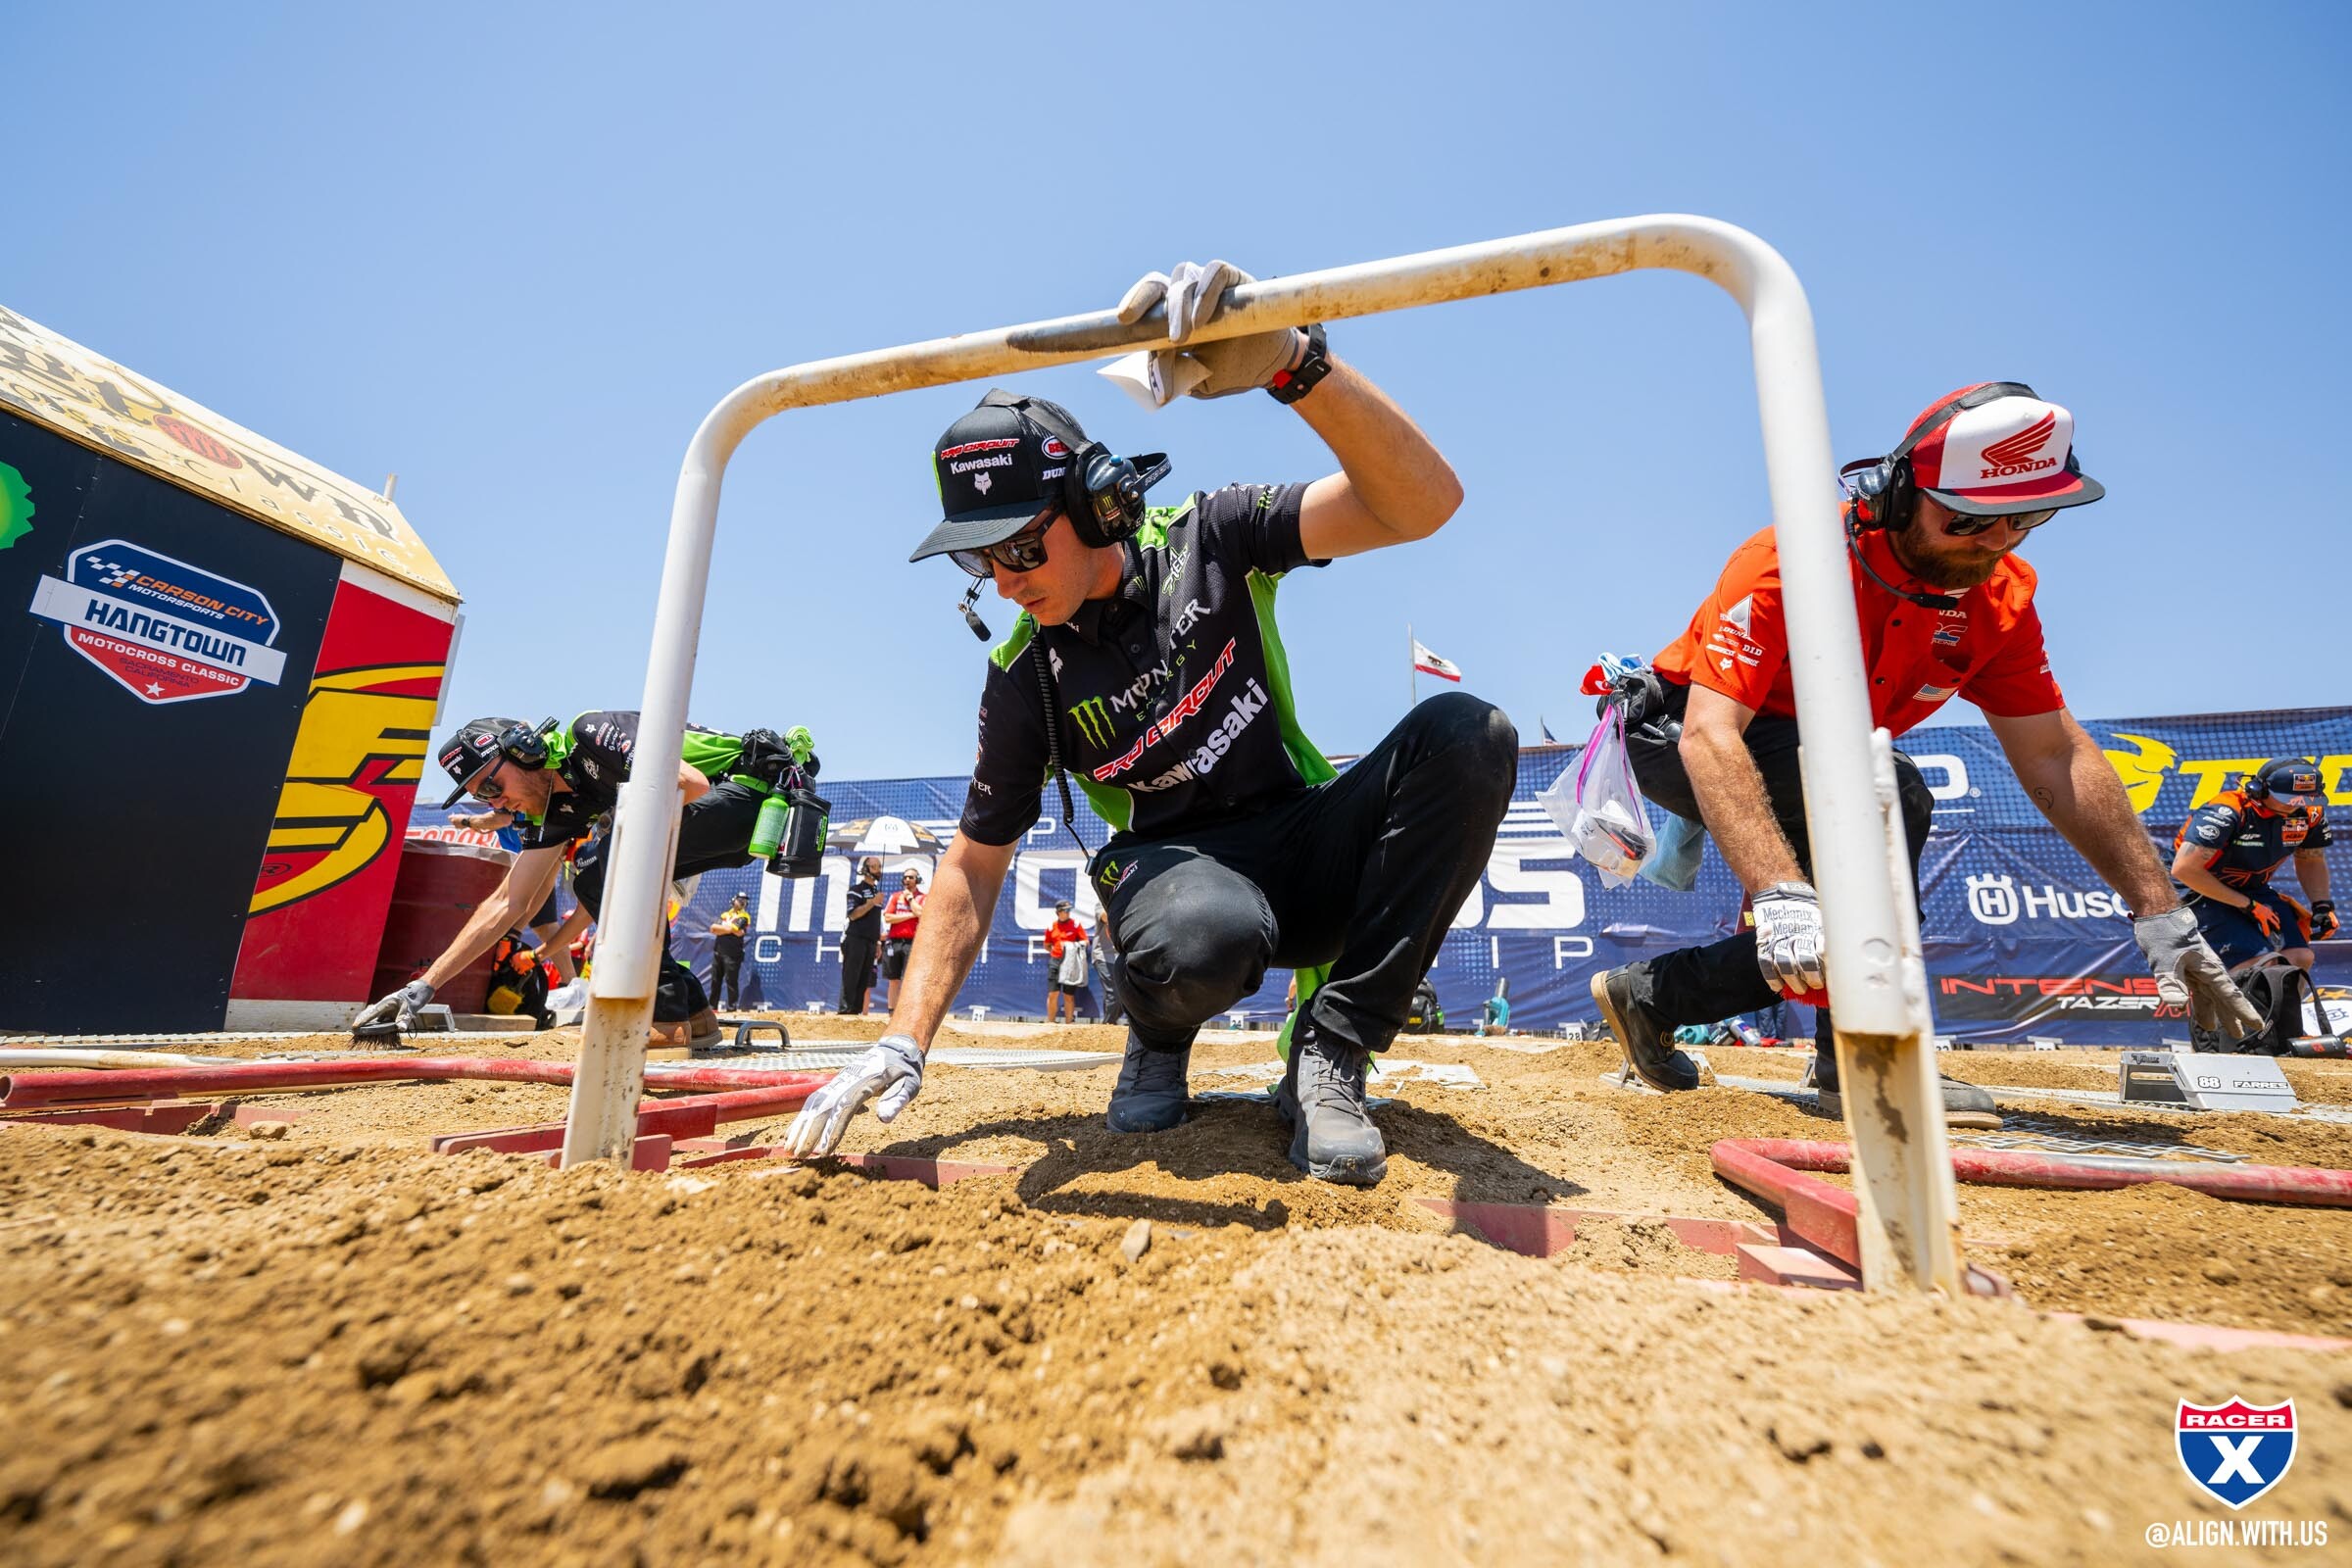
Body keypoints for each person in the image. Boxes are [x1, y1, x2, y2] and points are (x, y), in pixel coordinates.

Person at [785, 258, 1512, 1186]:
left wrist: (1296, 364)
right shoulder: (1022, 678)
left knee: (1468, 733)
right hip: (1177, 878)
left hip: (1302, 839)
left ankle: (1331, 1055)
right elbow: (972, 866)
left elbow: (1423, 504)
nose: (1005, 581)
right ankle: (1159, 1031)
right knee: (1203, 935)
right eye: (979, 560)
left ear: (1099, 502)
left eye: (1017, 545)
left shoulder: (1214, 536)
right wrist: (900, 1043)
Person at [1588, 383, 2259, 1126]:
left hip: (1825, 759)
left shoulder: (1999, 598)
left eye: (2029, 518)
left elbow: (2053, 755)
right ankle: (1866, 1060)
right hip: (1686, 732)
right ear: (1898, 494)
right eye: (1968, 518)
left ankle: (1654, 997)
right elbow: (1710, 735)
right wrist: (1780, 893)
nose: (1996, 540)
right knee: (1890, 799)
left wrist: (2161, 909)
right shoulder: (1791, 558)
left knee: (1860, 856)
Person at [353, 713, 816, 1048]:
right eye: (482, 798)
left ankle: (666, 1013)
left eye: (493, 789)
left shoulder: (590, 736)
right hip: (719, 817)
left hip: (753, 798)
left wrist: (620, 834)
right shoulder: (555, 808)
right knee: (595, 876)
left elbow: (692, 784)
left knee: (607, 863)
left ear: (522, 751)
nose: (497, 804)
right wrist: (422, 987)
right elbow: (506, 903)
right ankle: (691, 1014)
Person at [2171, 758, 2334, 974]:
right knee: (2256, 963)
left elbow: (2310, 859)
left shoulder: (2311, 814)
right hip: (2195, 889)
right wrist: (2248, 905)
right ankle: (2234, 1007)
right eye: (2289, 799)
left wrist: (2321, 906)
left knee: (2299, 957)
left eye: (2305, 799)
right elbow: (2184, 870)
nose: (2298, 805)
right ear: (2259, 790)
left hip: (2251, 887)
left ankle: (2283, 1009)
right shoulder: (2228, 811)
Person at [837, 857, 886, 1015]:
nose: (878, 870)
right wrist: (871, 902)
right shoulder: (856, 890)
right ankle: (844, 1011)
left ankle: (855, 1012)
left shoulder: (876, 892)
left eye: (879, 866)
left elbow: (876, 920)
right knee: (851, 975)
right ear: (865, 869)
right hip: (855, 938)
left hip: (871, 941)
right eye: (874, 867)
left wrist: (878, 942)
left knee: (864, 978)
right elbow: (852, 915)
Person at [879, 868, 924, 1010]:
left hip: (913, 943)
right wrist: (911, 916)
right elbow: (888, 917)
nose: (907, 880)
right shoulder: (895, 896)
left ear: (917, 880)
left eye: (911, 877)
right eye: (905, 877)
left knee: (909, 979)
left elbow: (921, 913)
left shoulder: (923, 897)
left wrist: (910, 898)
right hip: (894, 941)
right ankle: (892, 1011)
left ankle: (905, 1011)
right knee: (893, 979)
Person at [1044, 899, 1091, 1022]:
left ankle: (1069, 1024)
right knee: (1053, 994)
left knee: (1068, 995)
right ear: (1058, 912)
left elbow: (1086, 941)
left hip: (1070, 963)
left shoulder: (1075, 925)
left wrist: (1072, 947)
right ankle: (1051, 1022)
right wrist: (1056, 952)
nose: (1068, 913)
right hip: (1055, 961)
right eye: (1066, 910)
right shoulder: (1051, 927)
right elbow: (1047, 945)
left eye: (1069, 910)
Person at [707, 891, 752, 1011]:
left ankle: (731, 1007)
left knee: (731, 981)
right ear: (733, 900)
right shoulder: (725, 914)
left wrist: (726, 928)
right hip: (718, 951)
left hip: (733, 954)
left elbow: (736, 928)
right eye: (740, 899)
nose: (743, 902)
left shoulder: (744, 916)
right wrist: (730, 929)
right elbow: (713, 928)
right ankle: (712, 1007)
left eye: (745, 900)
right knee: (715, 980)